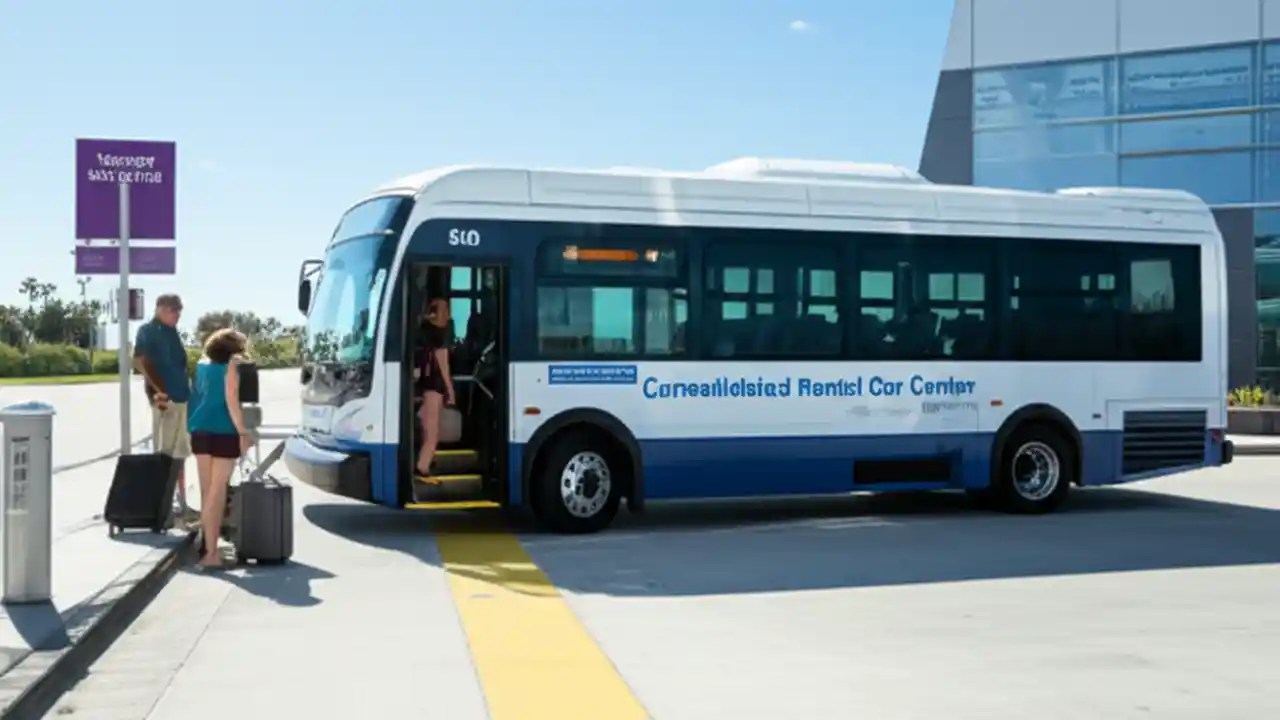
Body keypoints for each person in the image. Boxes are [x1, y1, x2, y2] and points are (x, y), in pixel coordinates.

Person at [187, 328, 253, 568]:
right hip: (224, 431)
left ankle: (209, 551)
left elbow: (196, 397)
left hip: (199, 429)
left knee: (208, 491)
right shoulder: (232, 366)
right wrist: (243, 431)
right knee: (217, 491)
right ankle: (210, 551)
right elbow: (231, 399)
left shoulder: (202, 367)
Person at [132, 294, 198, 528]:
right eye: (172, 310)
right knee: (165, 454)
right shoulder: (148, 331)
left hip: (183, 398)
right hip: (165, 400)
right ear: (159, 308)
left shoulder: (173, 332)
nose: (177, 314)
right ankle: (163, 506)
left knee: (181, 453)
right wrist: (158, 390)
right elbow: (139, 361)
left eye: (179, 310)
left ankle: (181, 503)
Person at [415, 298, 455, 479]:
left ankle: (425, 462)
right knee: (432, 431)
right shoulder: (439, 335)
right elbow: (444, 366)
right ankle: (423, 466)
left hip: (424, 385)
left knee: (427, 427)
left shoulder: (422, 333)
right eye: (445, 310)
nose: (448, 315)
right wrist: (450, 390)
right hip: (434, 386)